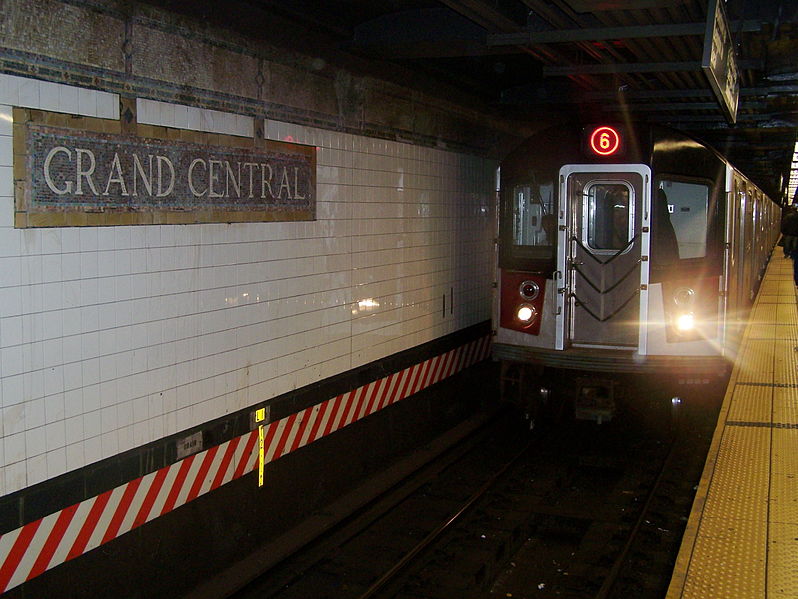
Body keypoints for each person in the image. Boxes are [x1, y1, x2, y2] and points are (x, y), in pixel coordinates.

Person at [779, 205, 798, 286]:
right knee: (794, 245)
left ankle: (787, 253)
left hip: (789, 233)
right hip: (796, 234)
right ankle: (792, 254)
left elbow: (784, 224)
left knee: (787, 244)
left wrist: (783, 232)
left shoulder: (788, 216)